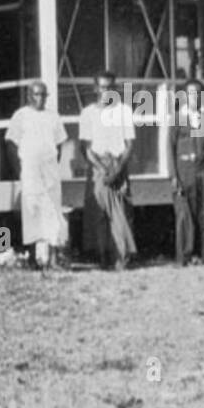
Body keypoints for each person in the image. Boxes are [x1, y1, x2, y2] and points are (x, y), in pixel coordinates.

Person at [6, 80, 69, 270]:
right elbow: (10, 144)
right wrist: (20, 171)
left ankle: (53, 258)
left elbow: (59, 143)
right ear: (29, 96)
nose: (40, 98)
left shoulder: (53, 117)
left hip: (49, 171)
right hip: (30, 171)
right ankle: (32, 258)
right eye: (36, 94)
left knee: (52, 211)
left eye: (43, 95)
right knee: (32, 211)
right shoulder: (20, 116)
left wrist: (52, 165)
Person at [79, 71, 138, 270]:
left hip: (119, 164)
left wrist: (117, 169)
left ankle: (121, 257)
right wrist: (102, 169)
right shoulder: (88, 113)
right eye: (102, 87)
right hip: (98, 166)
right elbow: (85, 148)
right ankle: (102, 257)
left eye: (110, 87)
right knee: (99, 213)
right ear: (96, 88)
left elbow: (130, 145)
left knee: (120, 214)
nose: (106, 91)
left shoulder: (124, 110)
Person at [168, 79, 204, 266]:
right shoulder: (177, 118)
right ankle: (184, 256)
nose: (194, 97)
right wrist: (173, 176)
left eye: (197, 93)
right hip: (183, 172)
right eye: (190, 93)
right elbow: (170, 148)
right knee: (184, 215)